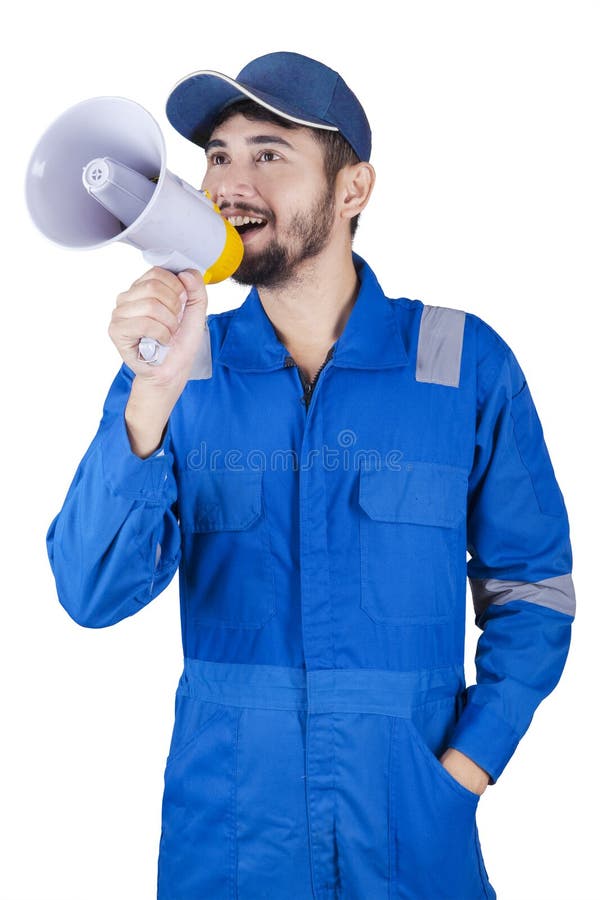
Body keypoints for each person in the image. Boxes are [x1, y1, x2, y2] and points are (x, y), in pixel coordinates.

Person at [46, 51, 575, 899]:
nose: (229, 182)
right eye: (217, 155)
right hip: (228, 843)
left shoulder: (460, 361)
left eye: (268, 153)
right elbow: (89, 592)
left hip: (411, 841)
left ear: (354, 189)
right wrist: (150, 387)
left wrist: (466, 770)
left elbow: (534, 590)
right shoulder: (182, 369)